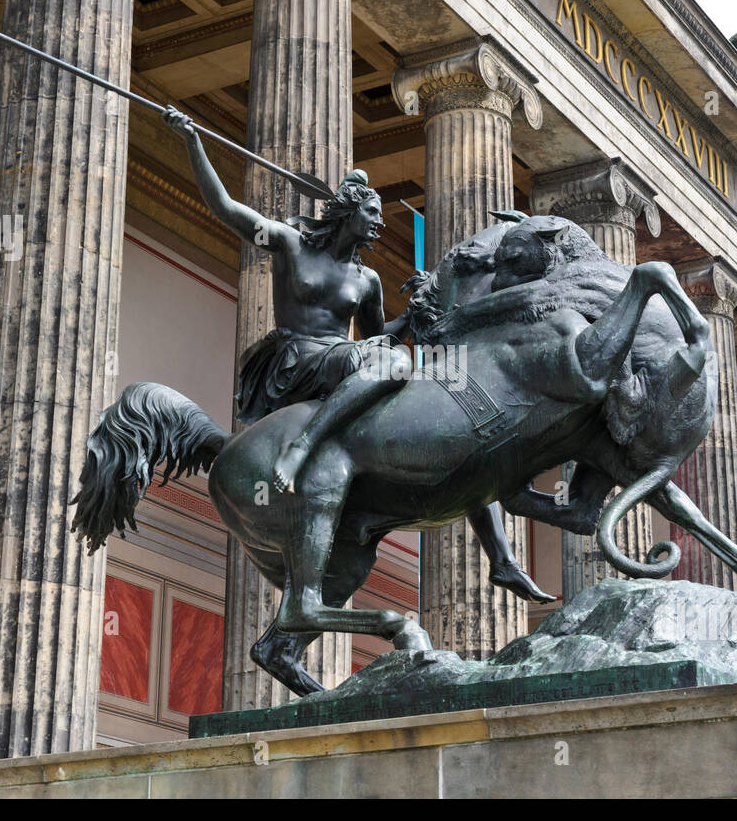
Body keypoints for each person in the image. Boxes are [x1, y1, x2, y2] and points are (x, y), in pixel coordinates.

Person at [164, 106, 552, 603]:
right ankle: (303, 444)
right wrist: (193, 139)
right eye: (371, 215)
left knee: (459, 413)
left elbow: (377, 335)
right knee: (394, 365)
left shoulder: (366, 280)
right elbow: (226, 208)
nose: (377, 226)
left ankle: (502, 559)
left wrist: (412, 320)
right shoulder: (290, 244)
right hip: (298, 360)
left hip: (347, 362)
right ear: (349, 212)